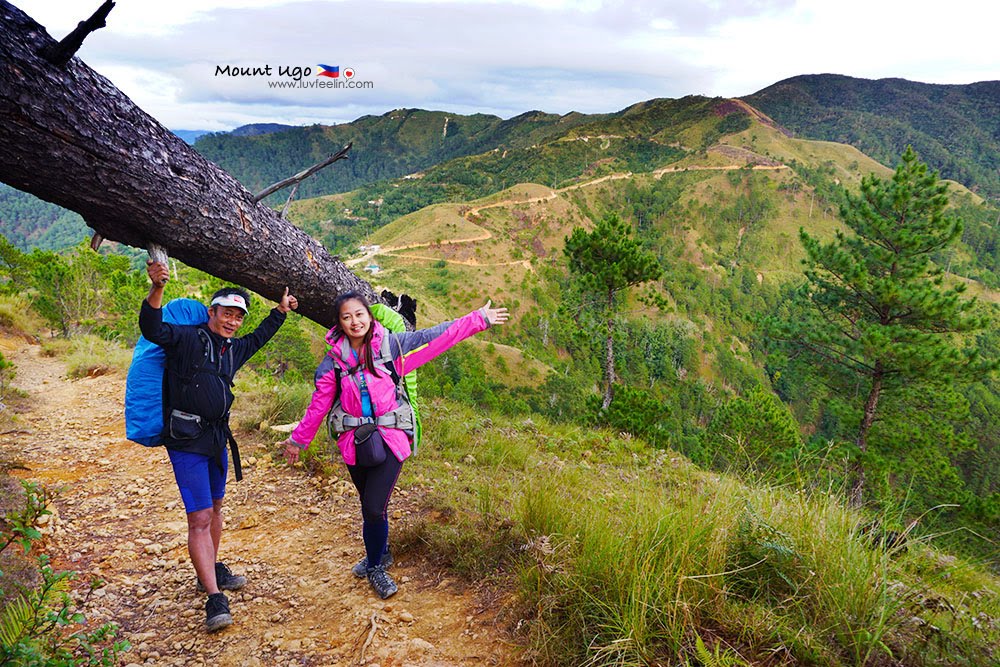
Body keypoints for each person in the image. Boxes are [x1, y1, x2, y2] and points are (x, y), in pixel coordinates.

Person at [280, 291, 508, 599]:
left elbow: (437, 337)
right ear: (339, 323)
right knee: (370, 507)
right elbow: (318, 405)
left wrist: (477, 320)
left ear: (370, 316)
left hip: (390, 438)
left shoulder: (392, 347)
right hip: (354, 444)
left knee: (374, 507)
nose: (354, 321)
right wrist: (298, 440)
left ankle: (376, 567)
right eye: (346, 317)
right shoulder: (333, 362)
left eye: (359, 314)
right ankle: (382, 552)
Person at [140, 260, 298, 632]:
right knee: (199, 518)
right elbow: (152, 328)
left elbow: (259, 339)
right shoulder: (187, 339)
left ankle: (208, 570)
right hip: (186, 440)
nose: (232, 321)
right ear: (211, 312)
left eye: (237, 317)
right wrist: (157, 289)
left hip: (216, 440)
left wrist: (280, 311)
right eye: (226, 313)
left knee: (215, 508)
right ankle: (214, 597)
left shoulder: (232, 348)